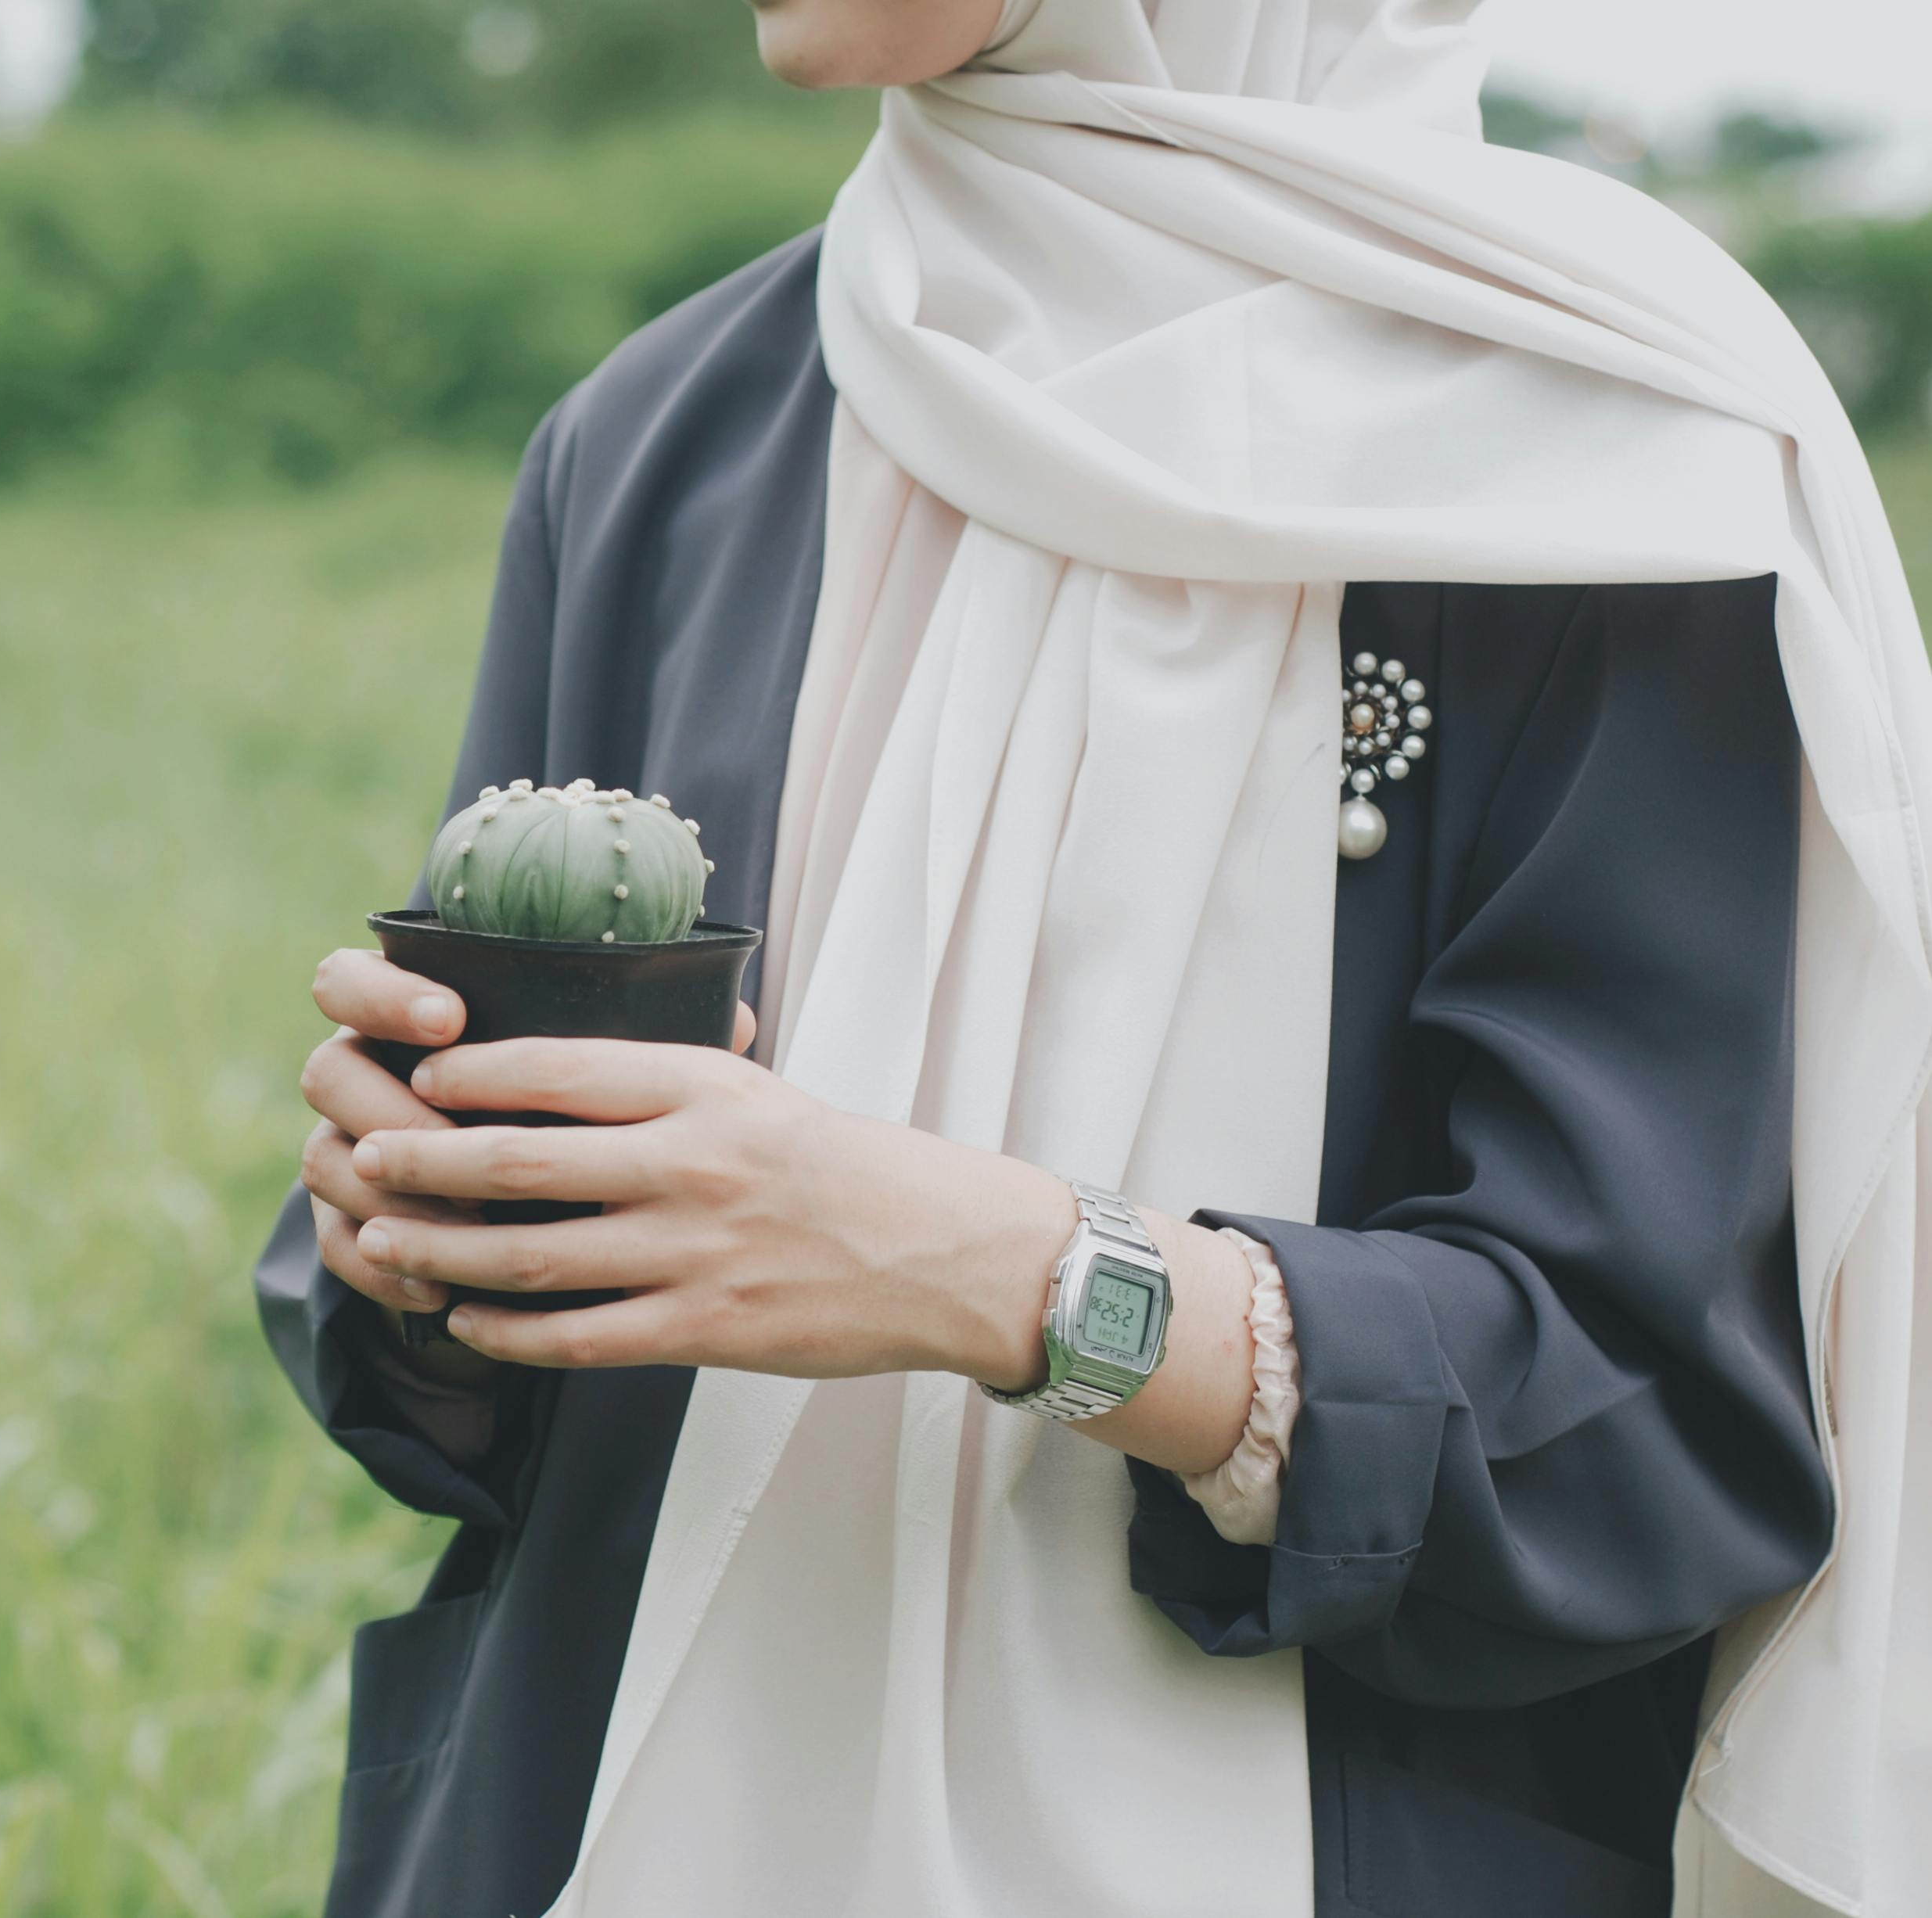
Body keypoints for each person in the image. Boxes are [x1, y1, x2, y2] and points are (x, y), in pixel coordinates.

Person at [256, 2, 1932, 1914]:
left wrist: (1013, 1272)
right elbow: (453, 1392)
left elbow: (1649, 1419)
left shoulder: (1620, 461)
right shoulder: (658, 440)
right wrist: (425, 1242)